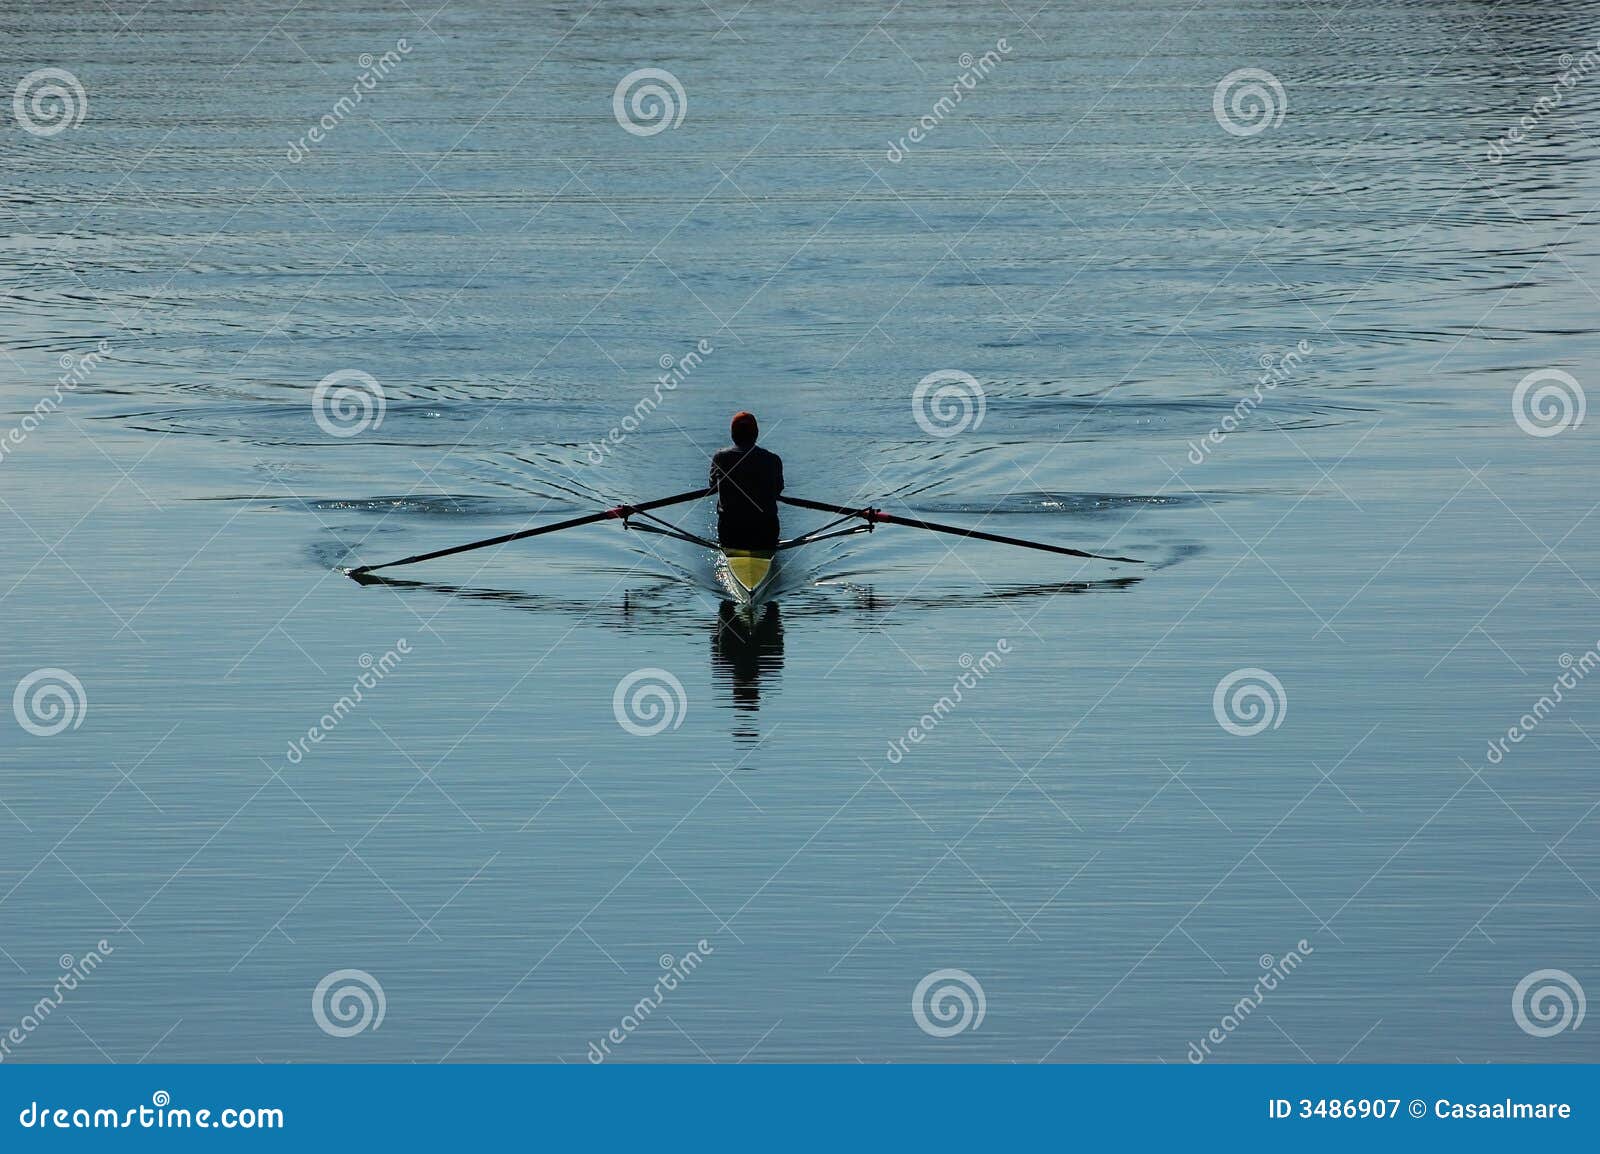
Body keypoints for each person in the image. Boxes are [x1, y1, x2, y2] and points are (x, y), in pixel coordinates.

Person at [709, 411, 783, 550]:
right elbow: (778, 490)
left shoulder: (720, 457)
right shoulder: (773, 459)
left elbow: (712, 487)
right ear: (756, 434)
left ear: (733, 435)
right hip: (765, 533)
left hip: (731, 533)